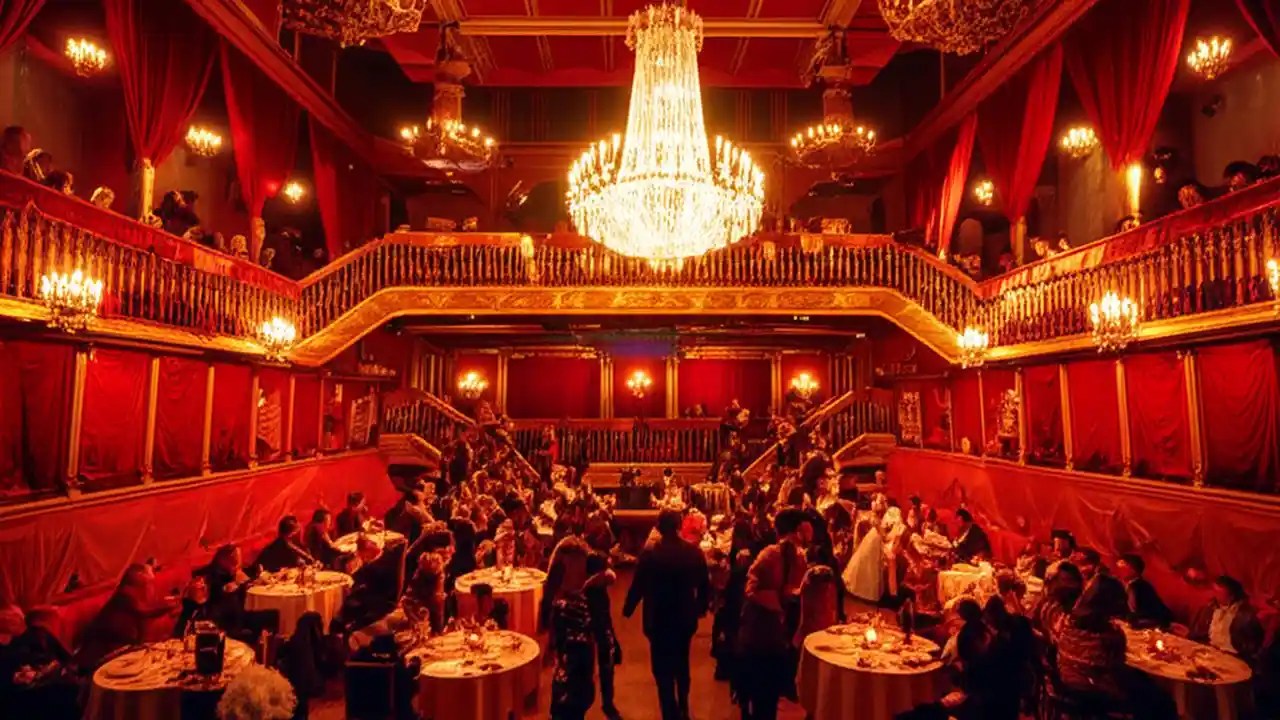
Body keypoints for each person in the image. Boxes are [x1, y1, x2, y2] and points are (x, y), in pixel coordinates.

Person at [623, 508, 709, 720]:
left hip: (657, 618)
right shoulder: (693, 552)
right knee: (682, 662)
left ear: (659, 527)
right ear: (680, 525)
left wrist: (628, 608)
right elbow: (705, 586)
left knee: (661, 667)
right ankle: (683, 704)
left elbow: (638, 585)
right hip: (684, 617)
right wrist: (700, 608)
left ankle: (669, 709)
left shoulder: (650, 554)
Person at [735, 508, 811, 720]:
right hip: (781, 636)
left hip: (759, 632)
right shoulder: (801, 558)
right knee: (770, 695)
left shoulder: (769, 554)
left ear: (776, 529)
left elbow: (751, 590)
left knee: (756, 693)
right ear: (798, 530)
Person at [76, 563, 177, 669]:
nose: (150, 587)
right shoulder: (125, 595)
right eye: (148, 583)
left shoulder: (133, 595)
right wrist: (168, 607)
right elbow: (143, 612)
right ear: (138, 577)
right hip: (103, 650)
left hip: (119, 645)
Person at [543, 537, 596, 720]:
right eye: (578, 568)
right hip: (570, 690)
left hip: (569, 687)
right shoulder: (566, 606)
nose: (583, 574)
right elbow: (577, 652)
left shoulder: (572, 601)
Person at [1190, 575, 1264, 661]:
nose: (1215, 595)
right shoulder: (1210, 608)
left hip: (1233, 657)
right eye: (1215, 592)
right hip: (1210, 651)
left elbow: (1251, 646)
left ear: (1231, 596)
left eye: (1219, 593)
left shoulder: (1245, 616)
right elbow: (1200, 632)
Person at [586, 550, 622, 720]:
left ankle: (608, 703)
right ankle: (605, 704)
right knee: (597, 671)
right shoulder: (590, 592)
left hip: (601, 633)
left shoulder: (598, 589)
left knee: (606, 669)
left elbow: (605, 616)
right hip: (591, 636)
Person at [1114, 554, 1172, 629]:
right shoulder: (1125, 585)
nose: (1118, 570)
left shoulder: (1141, 587)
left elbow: (1151, 612)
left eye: (1122, 566)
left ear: (1133, 570)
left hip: (1154, 623)